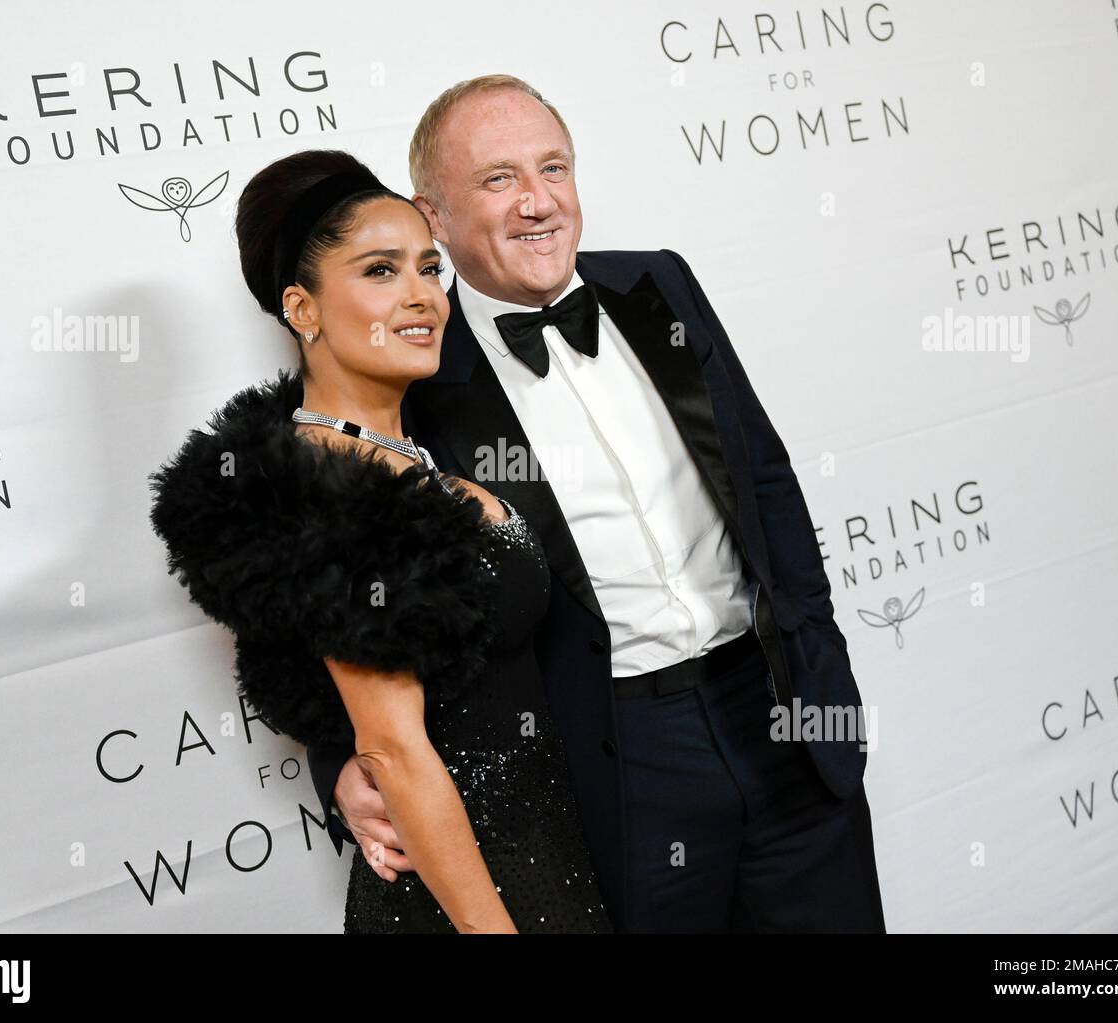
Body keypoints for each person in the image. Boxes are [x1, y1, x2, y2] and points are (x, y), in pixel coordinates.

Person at [313, 75, 888, 933]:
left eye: (555, 167)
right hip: (612, 765)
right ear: (432, 216)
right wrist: (342, 762)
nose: (538, 202)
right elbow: (342, 599)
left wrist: (820, 654)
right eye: (499, 179)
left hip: (782, 719)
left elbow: (764, 476)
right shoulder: (413, 383)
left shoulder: (660, 286)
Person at [147, 149, 613, 933]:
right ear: (303, 309)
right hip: (471, 899)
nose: (422, 295)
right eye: (380, 271)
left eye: (429, 268)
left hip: (549, 855)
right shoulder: (330, 489)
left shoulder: (411, 454)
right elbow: (393, 752)